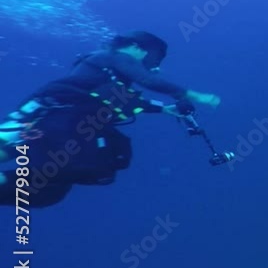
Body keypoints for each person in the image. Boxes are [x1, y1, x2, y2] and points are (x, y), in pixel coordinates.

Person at [0, 31, 221, 207]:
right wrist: (194, 95)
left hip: (51, 121)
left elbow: (122, 100)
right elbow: (148, 80)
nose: (154, 66)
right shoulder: (114, 57)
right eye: (153, 58)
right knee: (63, 173)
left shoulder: (105, 73)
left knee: (50, 190)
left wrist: (164, 109)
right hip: (55, 121)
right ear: (135, 47)